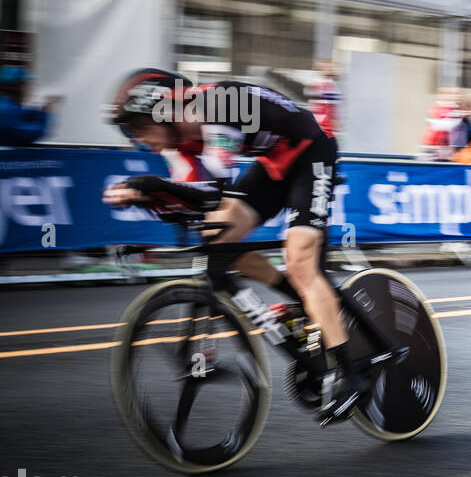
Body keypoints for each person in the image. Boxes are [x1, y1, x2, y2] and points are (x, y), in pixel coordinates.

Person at [101, 68, 365, 424]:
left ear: (163, 109)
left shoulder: (220, 106)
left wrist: (150, 186)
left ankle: (350, 374)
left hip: (311, 151)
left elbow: (212, 190)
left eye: (137, 128)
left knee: (302, 261)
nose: (137, 140)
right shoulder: (177, 141)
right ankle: (300, 299)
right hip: (272, 163)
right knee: (217, 233)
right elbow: (195, 200)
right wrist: (148, 196)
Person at [0, 66, 58, 146]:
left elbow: (21, 114)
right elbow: (29, 134)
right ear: (17, 88)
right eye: (27, 84)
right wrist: (46, 113)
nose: (29, 89)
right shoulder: (5, 111)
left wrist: (39, 110)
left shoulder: (7, 105)